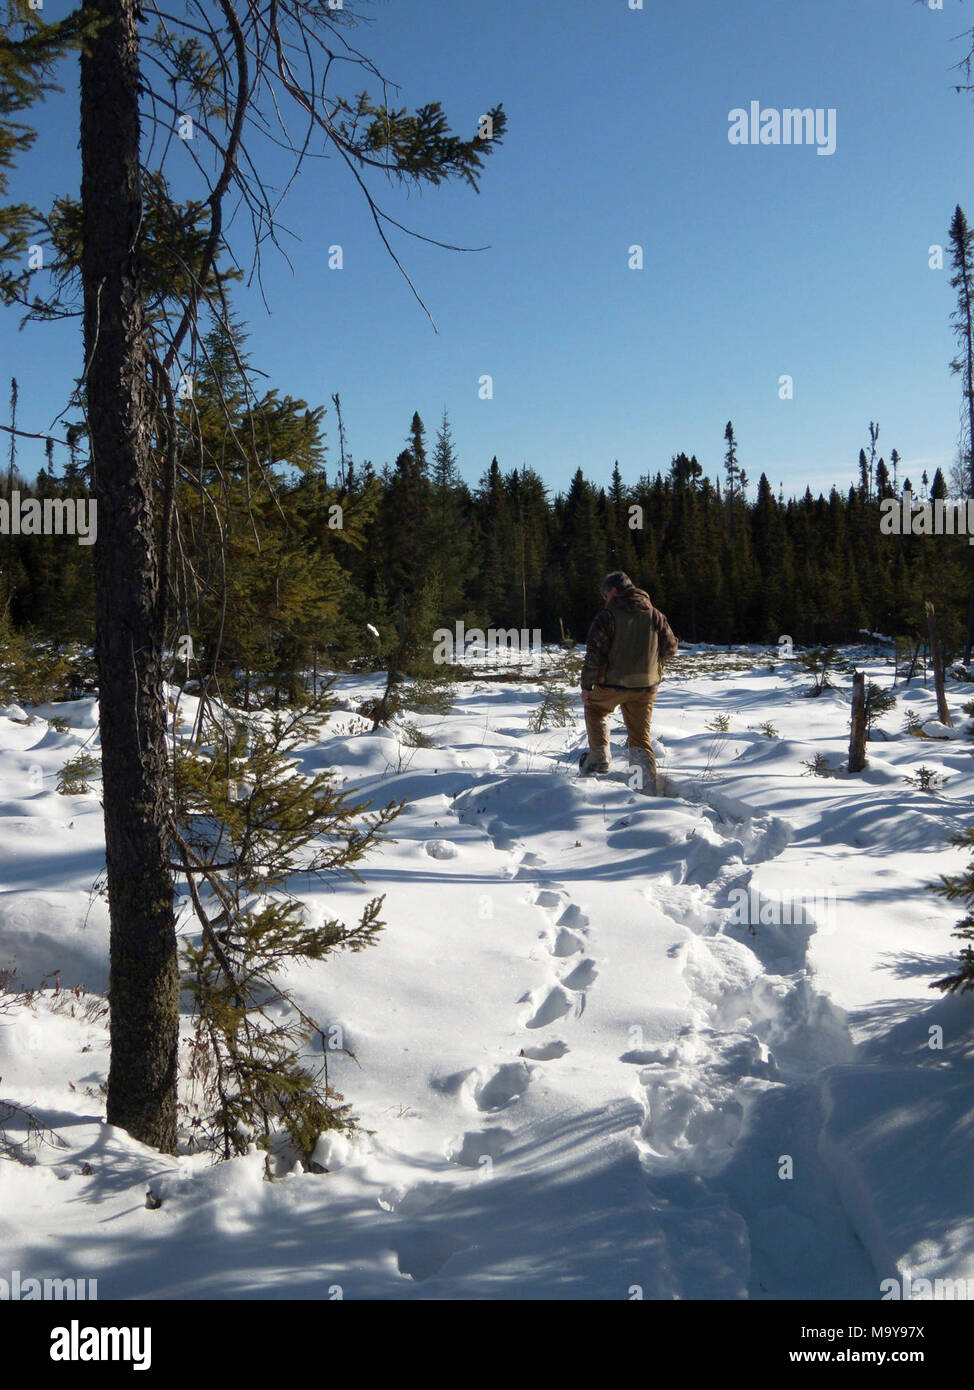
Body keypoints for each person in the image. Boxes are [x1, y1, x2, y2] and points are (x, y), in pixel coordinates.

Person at [578, 571, 678, 792]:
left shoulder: (607, 616)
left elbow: (594, 654)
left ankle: (598, 758)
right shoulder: (655, 614)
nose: (606, 599)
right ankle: (643, 786)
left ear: (613, 591)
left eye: (606, 595)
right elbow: (671, 647)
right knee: (639, 737)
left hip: (611, 685)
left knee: (595, 710)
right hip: (646, 687)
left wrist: (586, 686)